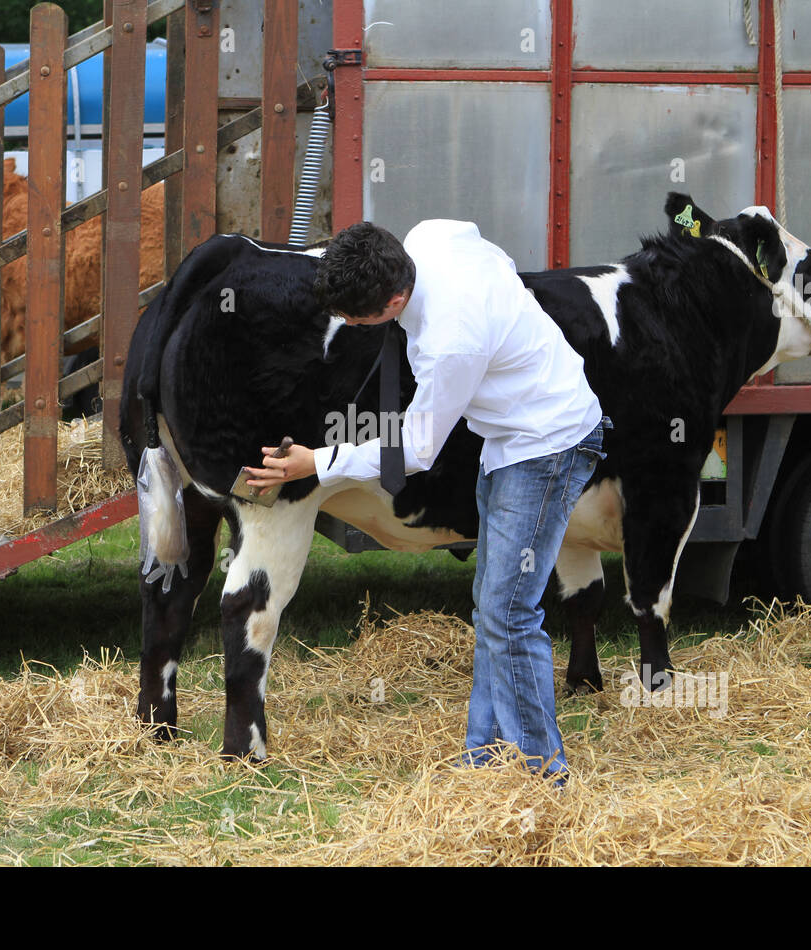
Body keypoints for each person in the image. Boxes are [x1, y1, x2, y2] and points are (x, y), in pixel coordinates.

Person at [241, 219, 610, 780]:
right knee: (494, 604)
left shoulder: (449, 343)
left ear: (392, 302)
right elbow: (490, 250)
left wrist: (317, 461)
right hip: (508, 441)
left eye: (352, 317)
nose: (345, 324)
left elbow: (413, 450)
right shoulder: (434, 236)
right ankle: (484, 756)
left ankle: (542, 775)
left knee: (509, 614)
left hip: (547, 446)